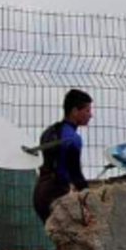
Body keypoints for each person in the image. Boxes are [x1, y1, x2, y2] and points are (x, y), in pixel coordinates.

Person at [33, 89, 93, 223]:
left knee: (59, 240)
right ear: (75, 111)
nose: (91, 115)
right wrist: (91, 199)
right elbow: (75, 175)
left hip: (40, 193)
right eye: (87, 110)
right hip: (55, 195)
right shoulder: (72, 138)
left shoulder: (48, 132)